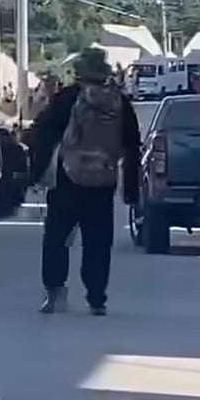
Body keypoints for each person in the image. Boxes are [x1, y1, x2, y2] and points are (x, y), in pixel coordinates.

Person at [28, 48, 139, 316]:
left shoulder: (66, 99)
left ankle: (55, 292)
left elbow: (43, 135)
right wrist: (131, 189)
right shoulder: (120, 103)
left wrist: (35, 174)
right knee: (98, 241)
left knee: (56, 238)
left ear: (80, 73)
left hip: (68, 178)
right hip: (103, 180)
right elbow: (132, 145)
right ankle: (96, 297)